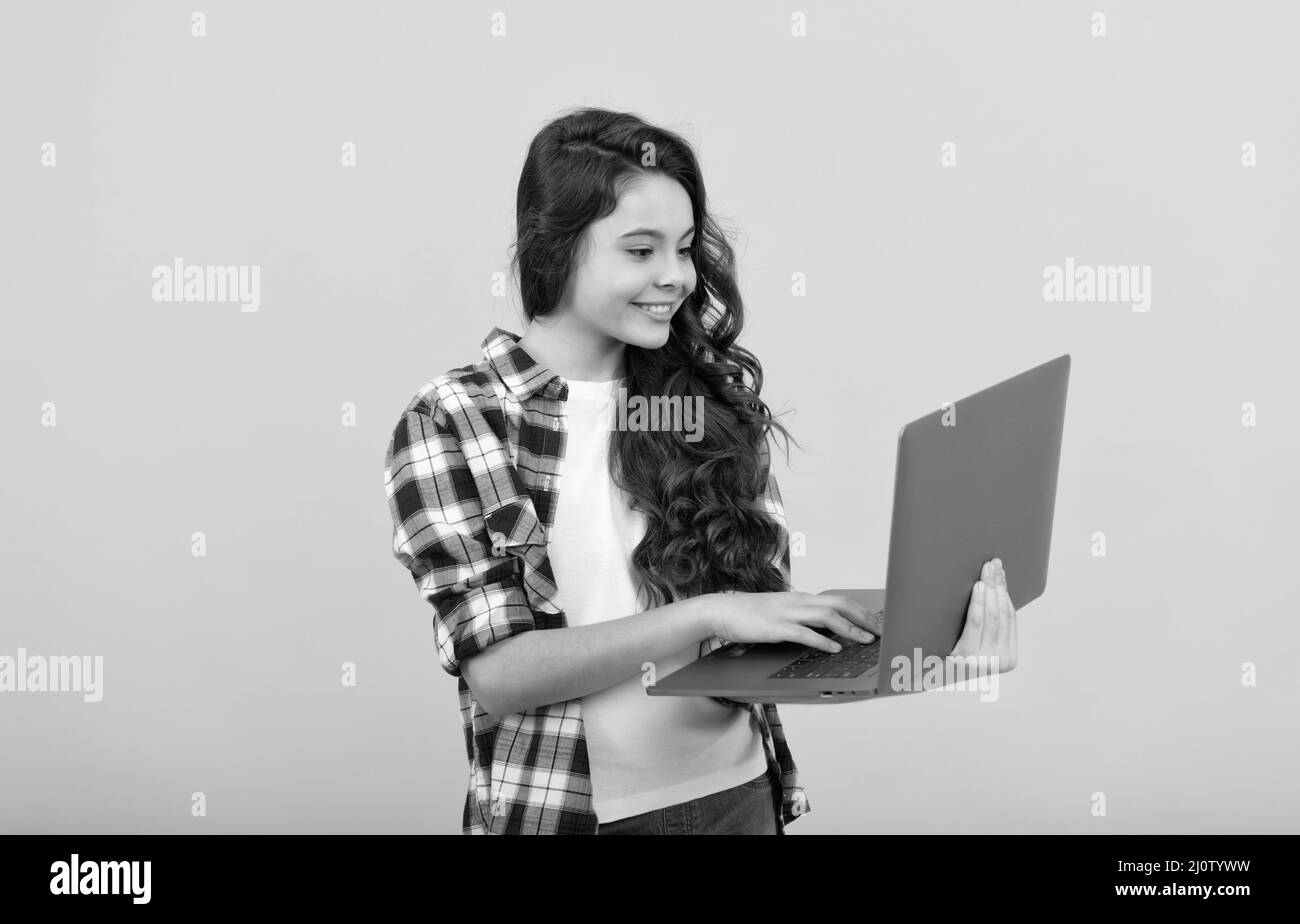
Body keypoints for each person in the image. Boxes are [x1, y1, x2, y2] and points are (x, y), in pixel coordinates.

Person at [383, 107, 1018, 835]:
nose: (675, 277)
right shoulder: (458, 419)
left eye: (684, 249)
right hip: (571, 816)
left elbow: (750, 635)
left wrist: (927, 651)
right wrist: (703, 613)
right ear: (551, 250)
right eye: (640, 250)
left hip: (740, 798)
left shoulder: (698, 404)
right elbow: (499, 675)